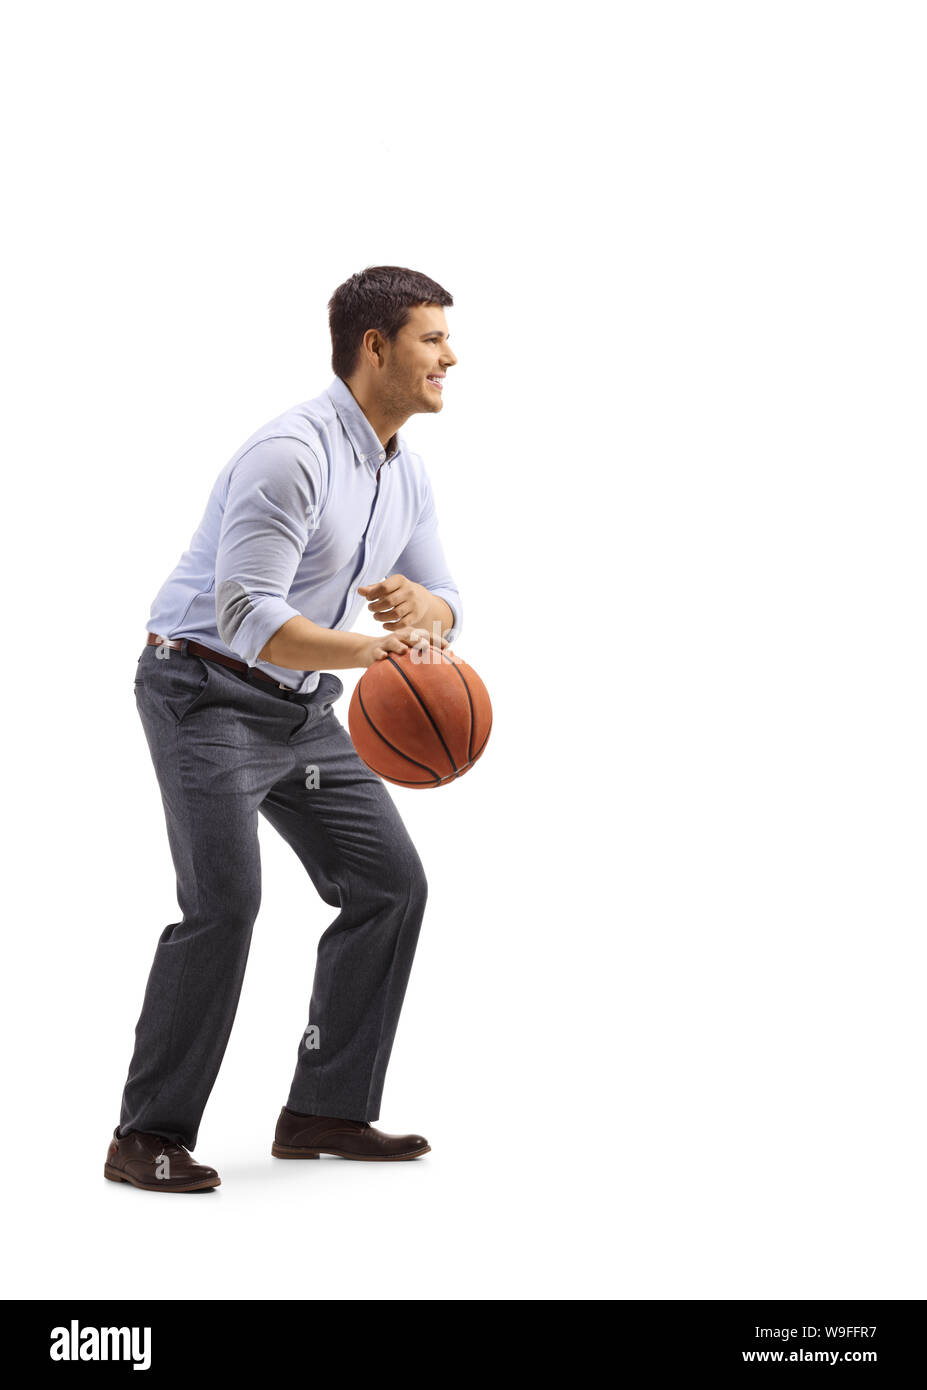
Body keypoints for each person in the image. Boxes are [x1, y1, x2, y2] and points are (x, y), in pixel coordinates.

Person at [104, 266, 461, 1192]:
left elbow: (443, 595)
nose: (449, 357)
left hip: (302, 709)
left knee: (390, 885)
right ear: (373, 346)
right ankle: (145, 1135)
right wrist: (375, 656)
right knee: (223, 905)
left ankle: (324, 1109)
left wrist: (433, 613)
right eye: (431, 339)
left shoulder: (402, 470)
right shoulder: (290, 452)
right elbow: (245, 613)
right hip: (203, 690)